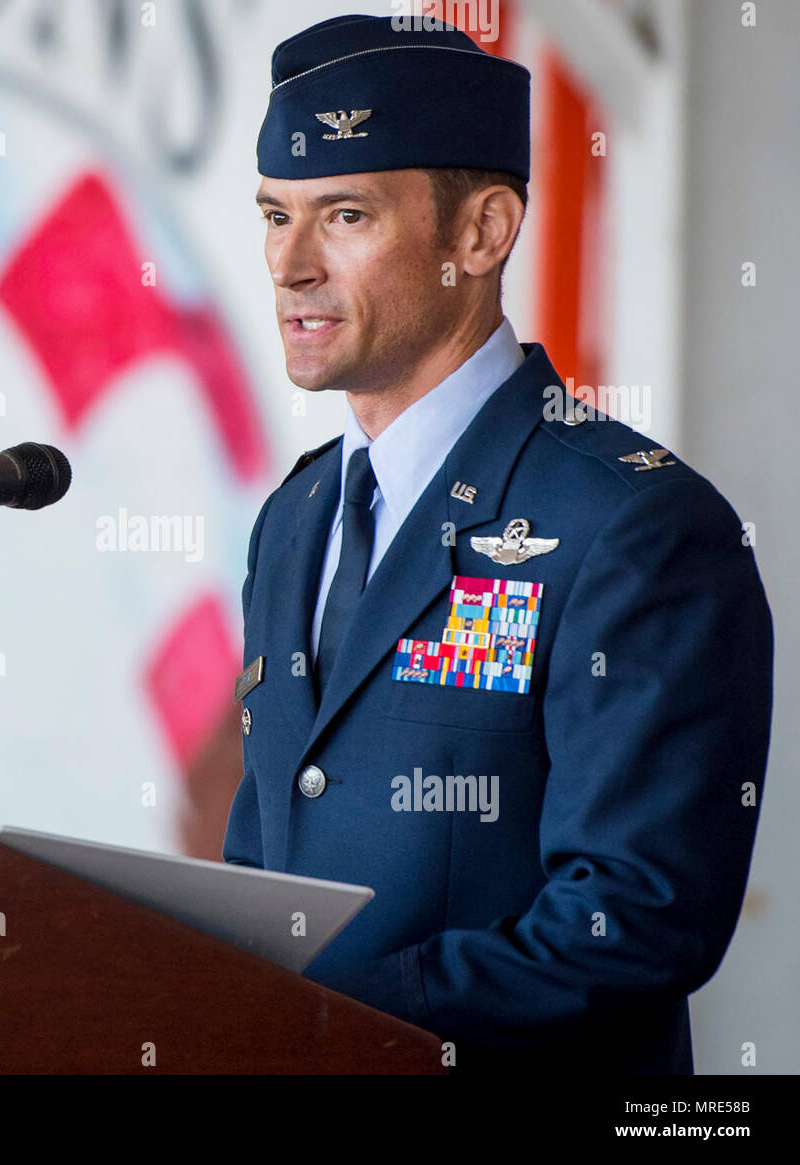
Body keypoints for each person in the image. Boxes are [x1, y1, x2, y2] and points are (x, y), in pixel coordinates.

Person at [224, 13, 772, 1073]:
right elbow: (264, 871)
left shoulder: (633, 524)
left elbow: (635, 921)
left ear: (479, 235)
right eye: (272, 215)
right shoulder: (293, 520)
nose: (288, 265)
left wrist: (314, 1016)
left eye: (343, 214)